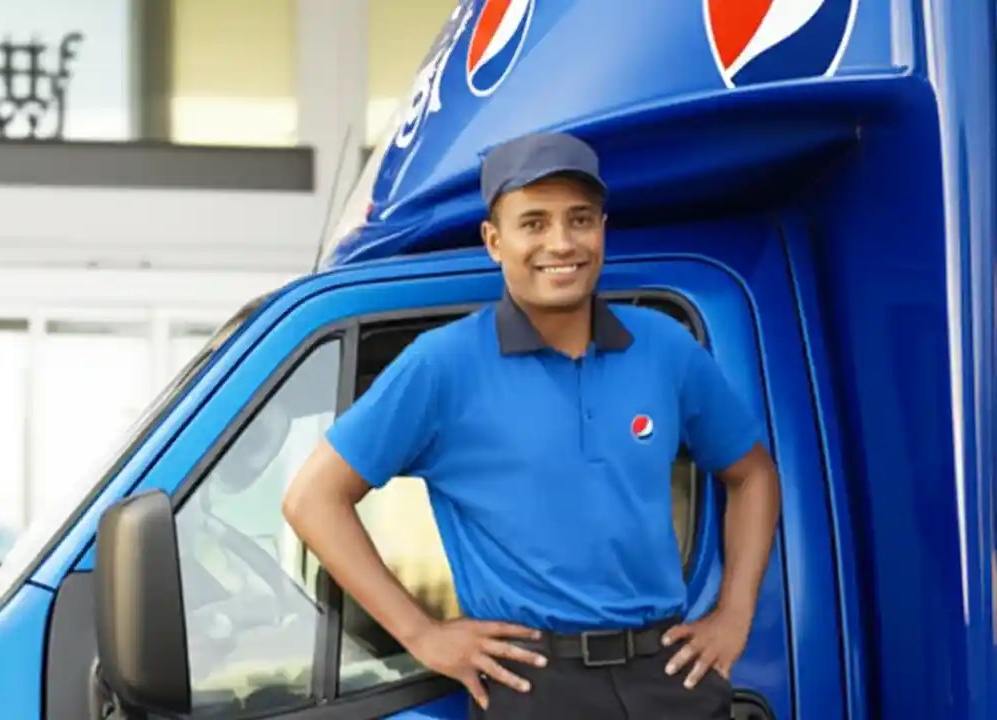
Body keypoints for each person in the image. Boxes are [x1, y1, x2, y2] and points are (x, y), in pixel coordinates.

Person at [282, 131, 781, 719]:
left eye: (580, 219)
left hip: (668, 677)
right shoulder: (441, 365)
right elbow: (313, 499)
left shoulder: (665, 348)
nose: (561, 243)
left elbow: (753, 475)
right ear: (494, 241)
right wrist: (422, 634)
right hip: (533, 688)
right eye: (534, 223)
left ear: (602, 229)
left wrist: (735, 613)